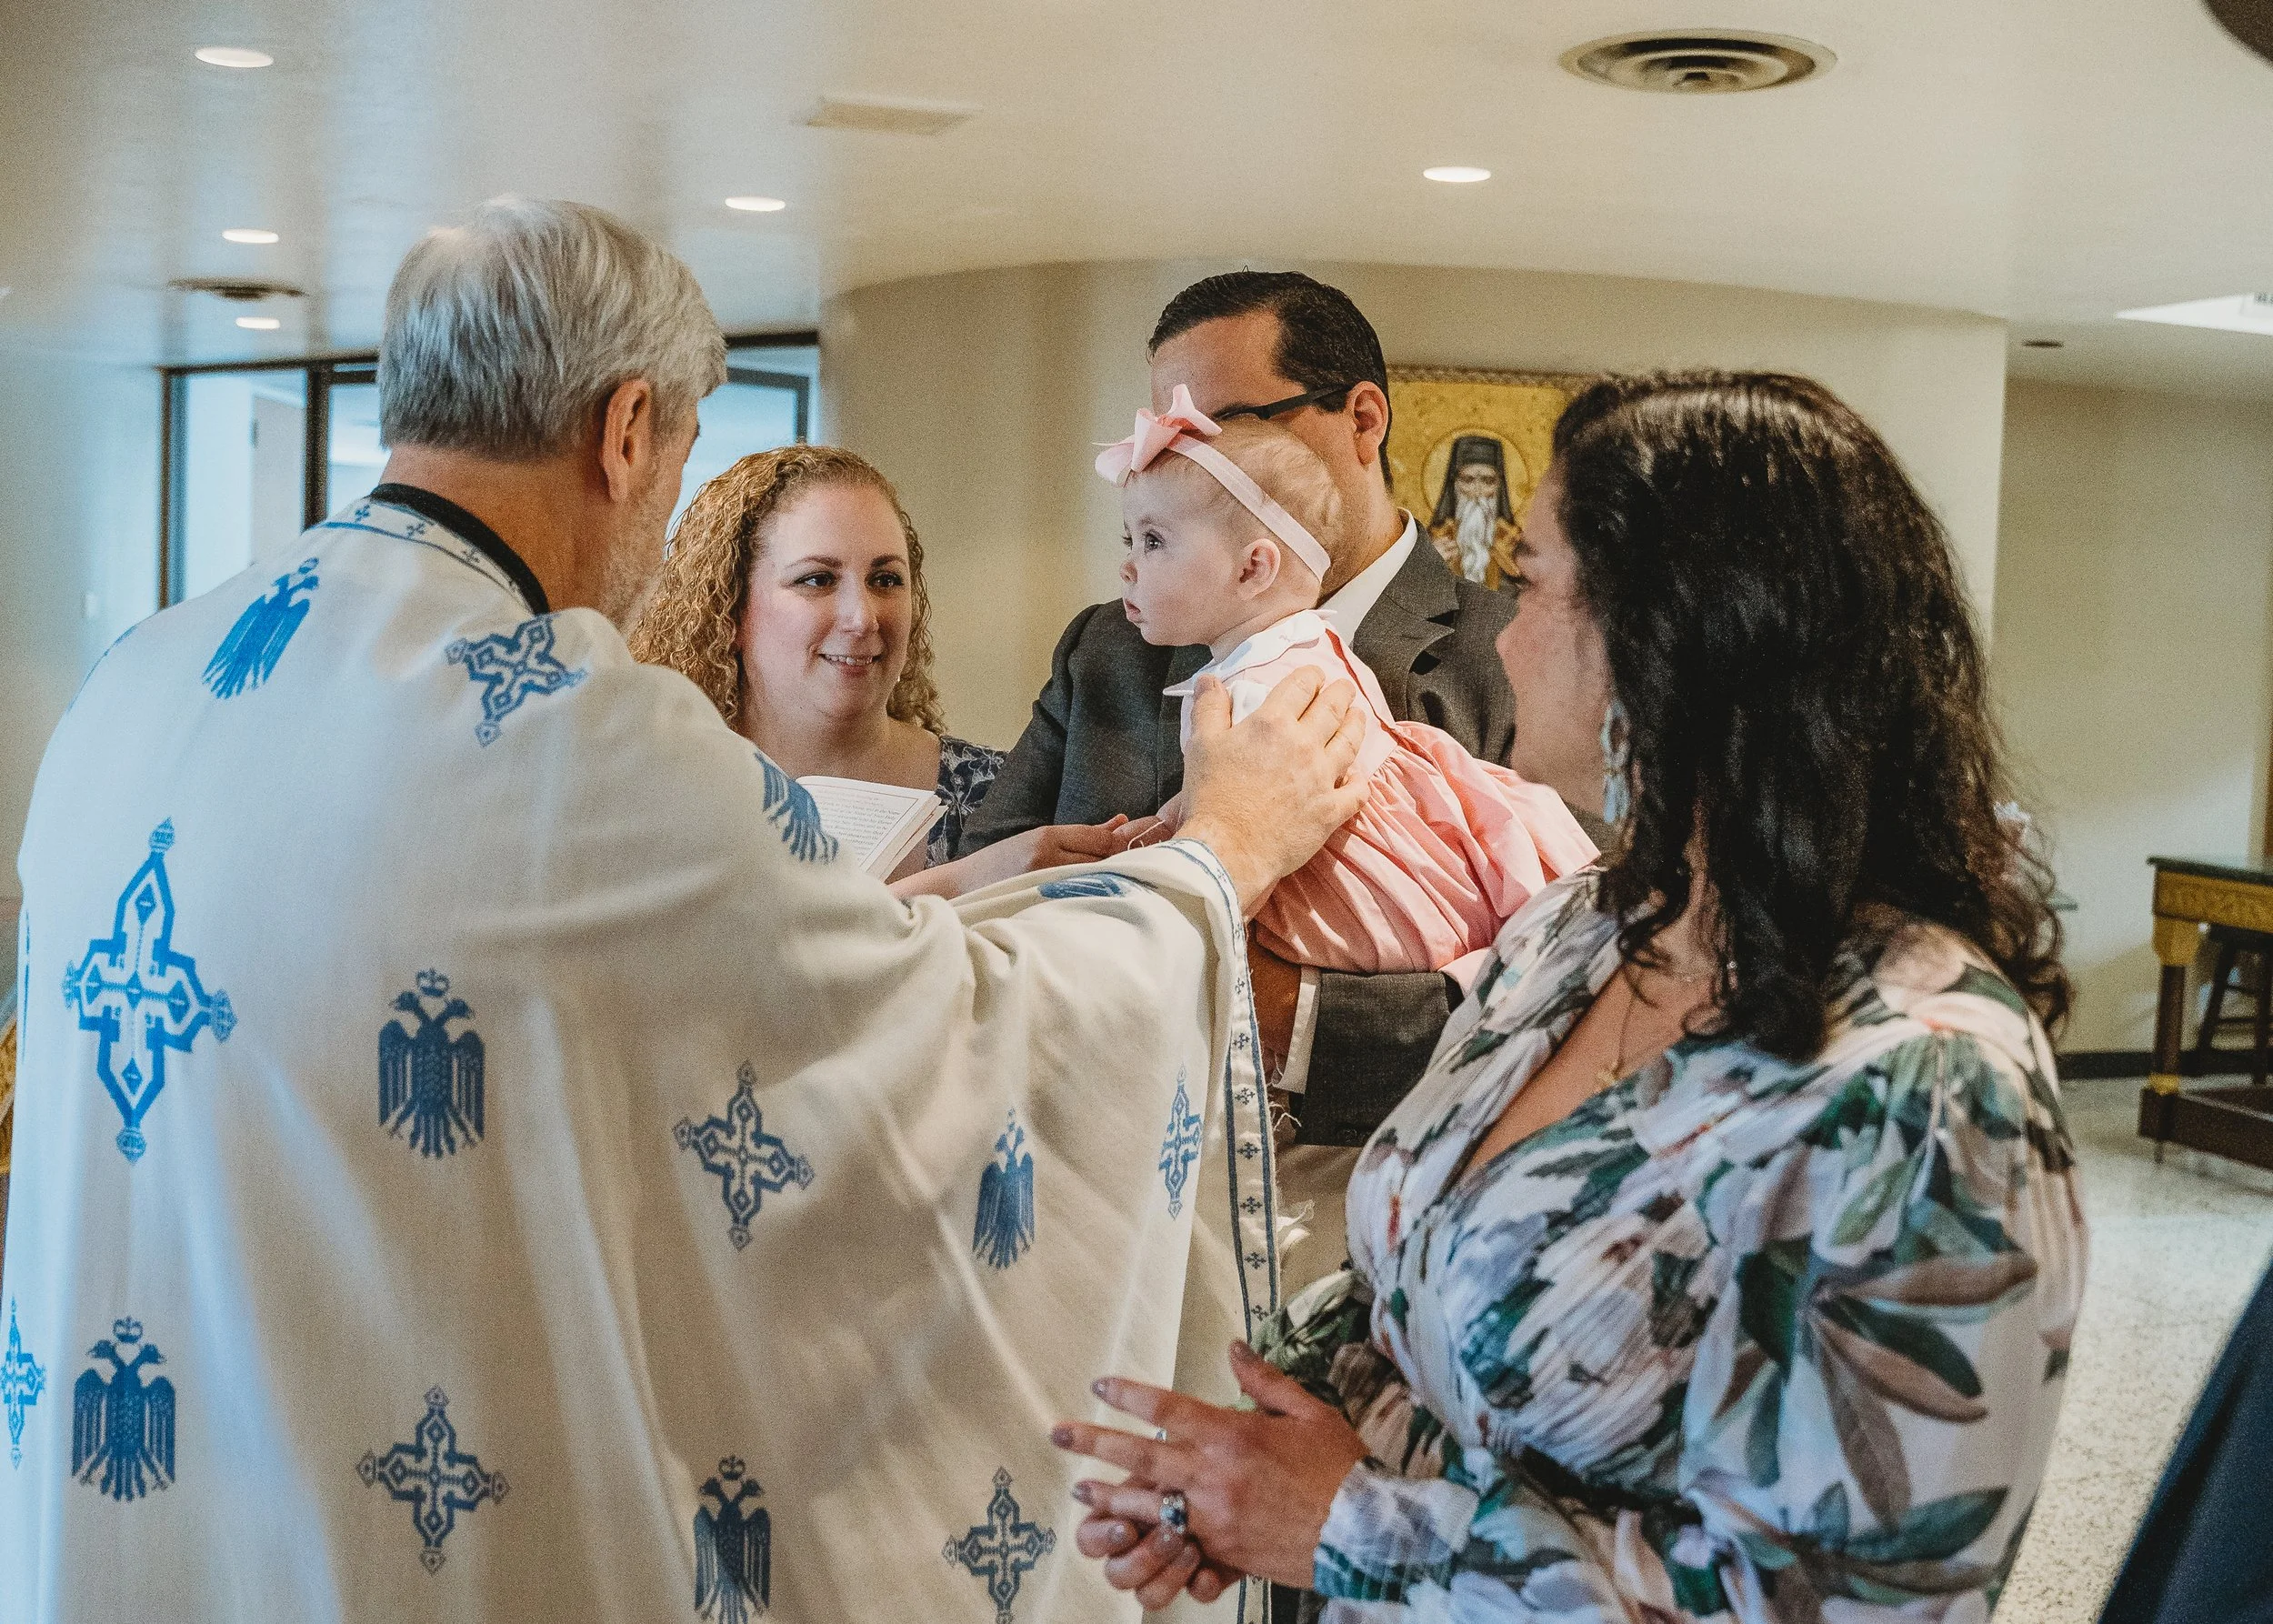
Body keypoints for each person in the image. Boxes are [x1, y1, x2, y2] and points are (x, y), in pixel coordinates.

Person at [0, 196, 1371, 1622]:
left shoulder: (140, 680)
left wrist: (978, 887)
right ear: (627, 430)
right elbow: (925, 1044)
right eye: (684, 456)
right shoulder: (575, 734)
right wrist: (1219, 849)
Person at [1052, 371, 2088, 1622]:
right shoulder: (1583, 929)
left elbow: (1849, 1602)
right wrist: (1240, 1454)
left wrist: (1345, 1522)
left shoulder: (1927, 1086)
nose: (1499, 633)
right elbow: (1403, 1274)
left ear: (1674, 638)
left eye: (1532, 581)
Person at [961, 270, 1531, 1297]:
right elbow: (987, 882)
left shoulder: (1517, 654)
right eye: (1162, 435)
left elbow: (1565, 971)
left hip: (1398, 1224)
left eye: (1214, 426)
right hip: (1102, 1219)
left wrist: (1284, 1012)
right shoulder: (1113, 646)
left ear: (1362, 418)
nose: (1183, 463)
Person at [1099, 390, 1594, 977]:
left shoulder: (1262, 691)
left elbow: (1240, 852)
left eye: (1154, 541)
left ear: (1254, 567)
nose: (1128, 566)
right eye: (1131, 540)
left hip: (1362, 903)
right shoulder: (1307, 644)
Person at [628, 443, 1020, 875]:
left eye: (886, 579)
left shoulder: (1001, 793)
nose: (862, 618)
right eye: (817, 580)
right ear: (730, 609)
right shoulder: (645, 793)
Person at [1424, 433, 1522, 590]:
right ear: (1454, 484)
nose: (1477, 491)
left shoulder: (1513, 543)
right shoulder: (1435, 541)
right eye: (1468, 480)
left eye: (1488, 481)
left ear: (1499, 486)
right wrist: (1431, 567)